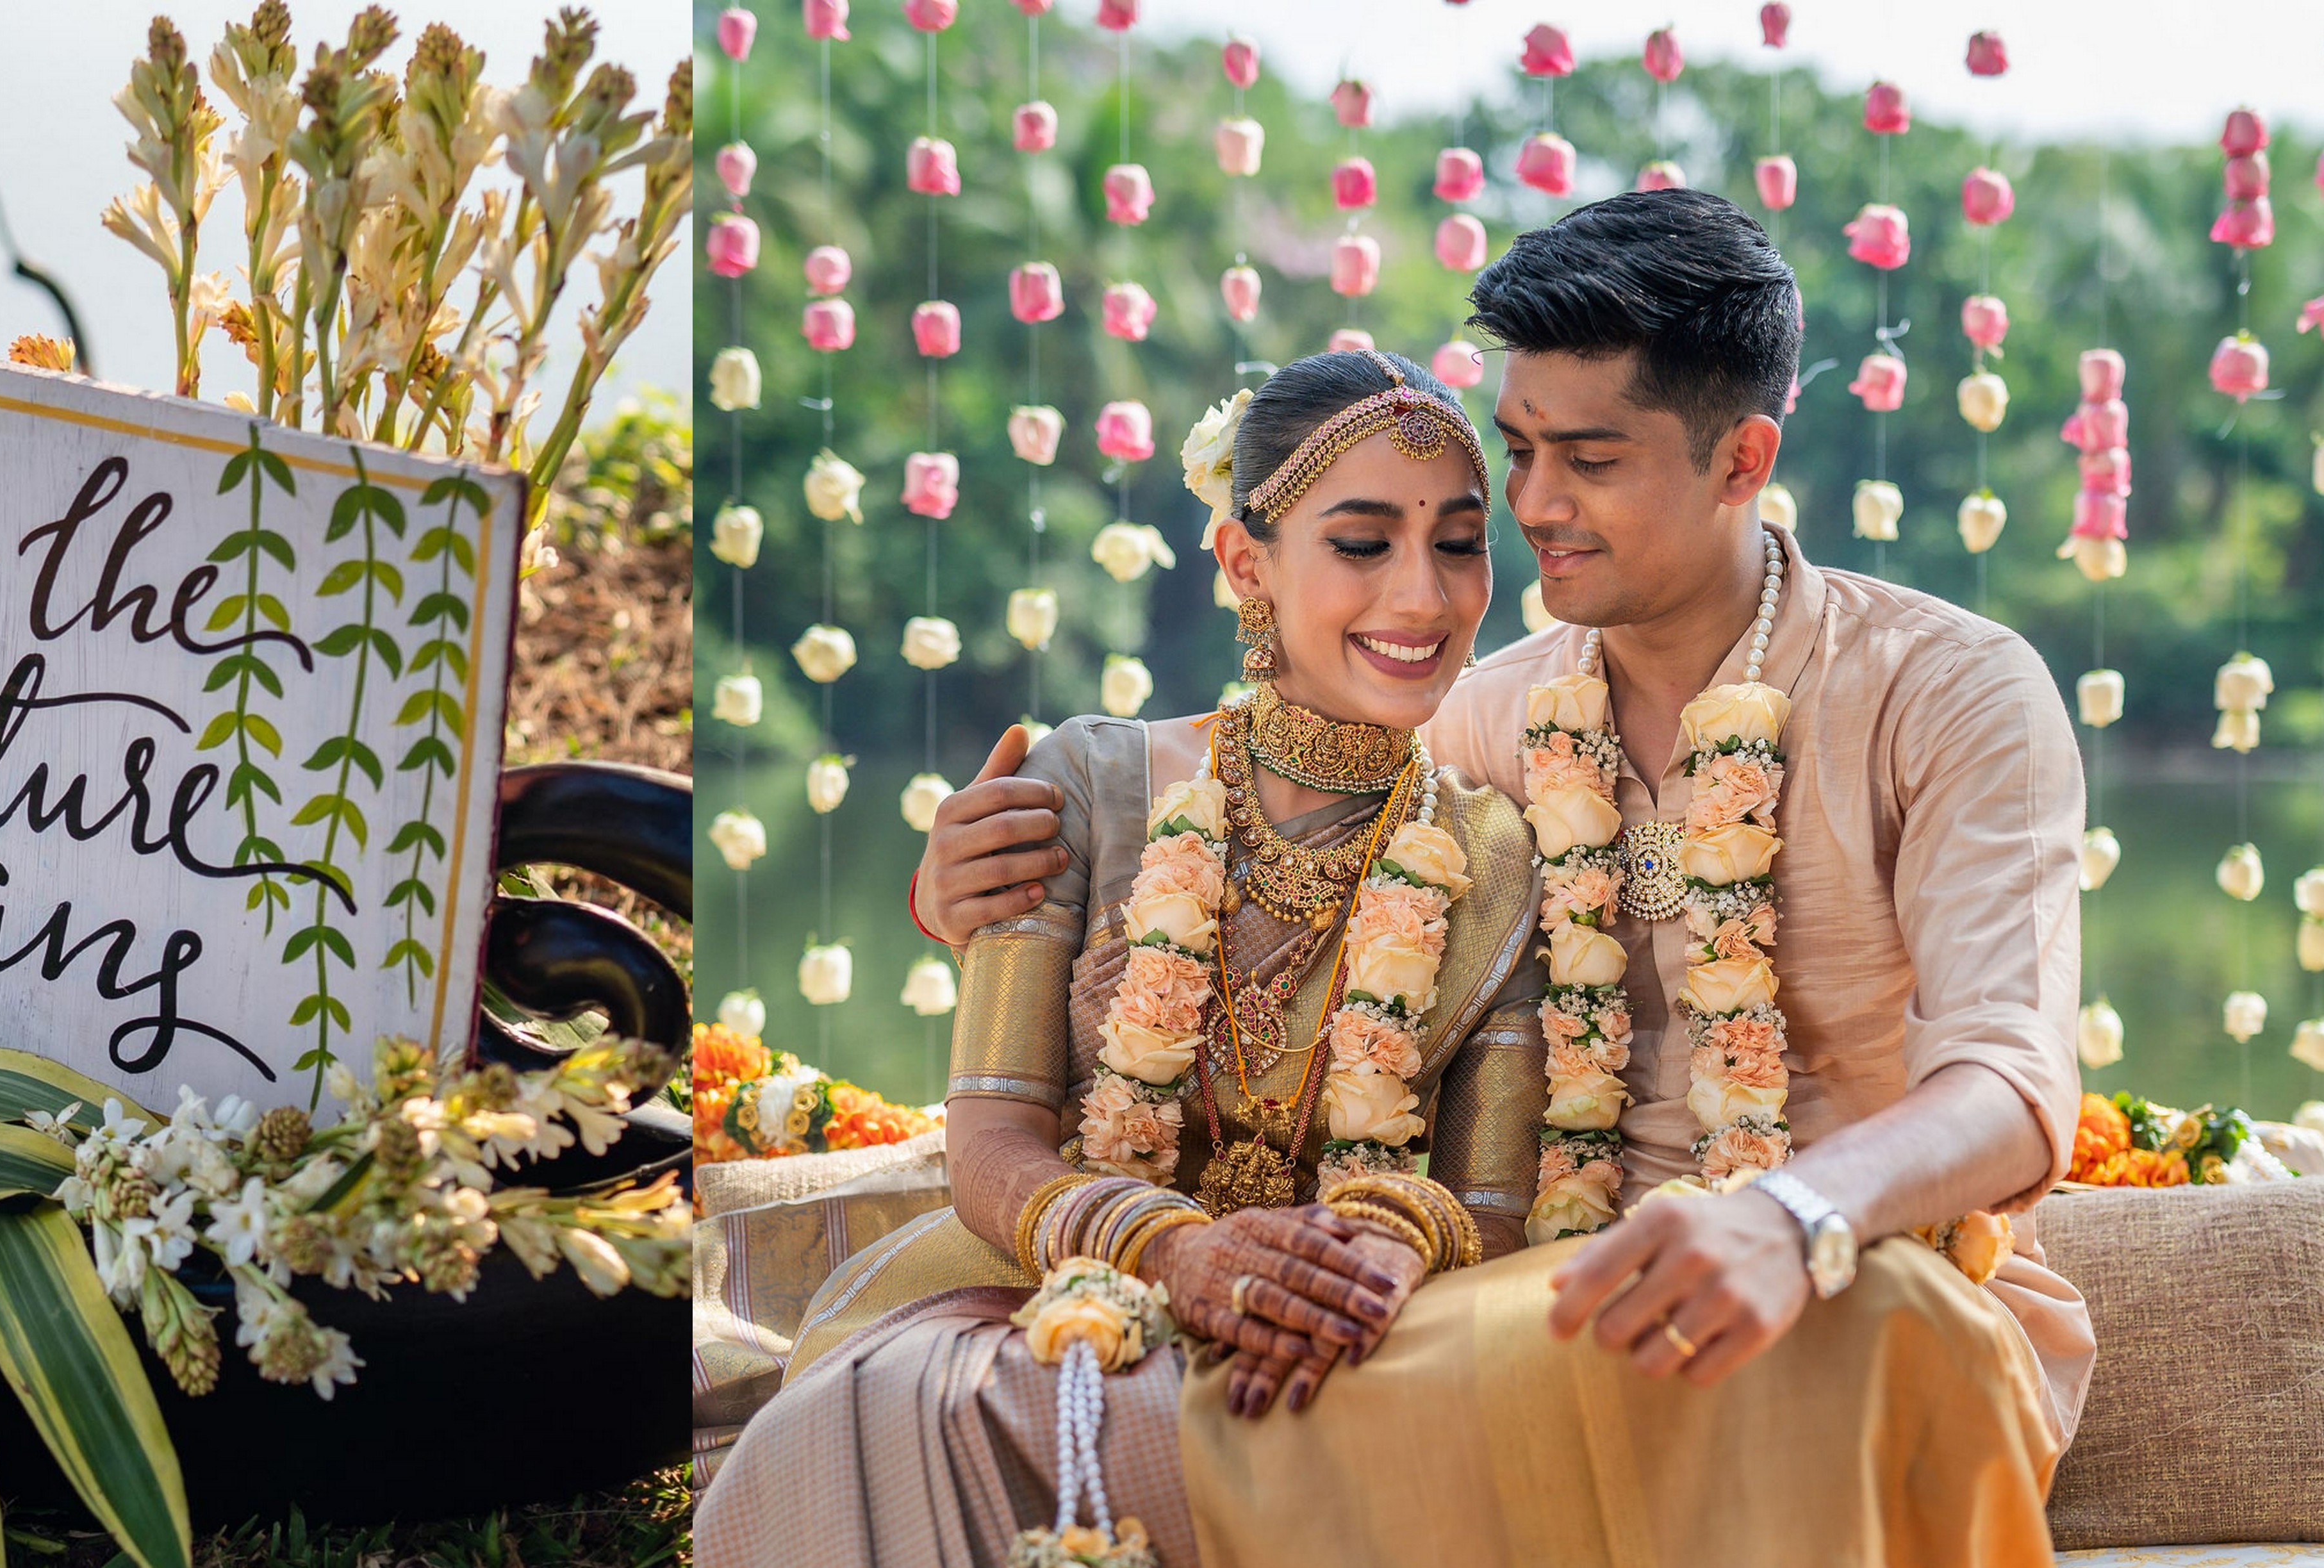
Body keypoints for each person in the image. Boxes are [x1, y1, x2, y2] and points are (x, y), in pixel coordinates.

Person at [894, 190, 2086, 1565]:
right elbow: (1221, 860)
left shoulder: (1947, 693)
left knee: (1857, 1325)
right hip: (1534, 1300)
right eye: (1519, 452)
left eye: (1587, 460)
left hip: (1854, 1273)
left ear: (1741, 457)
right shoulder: (1480, 719)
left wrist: (1784, 1217)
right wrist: (973, 890)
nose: (1531, 507)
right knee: (1236, 1398)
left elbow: (2007, 1084)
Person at [698, 345, 1567, 1566]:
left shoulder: (1498, 853)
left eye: (1461, 543)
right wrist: (1176, 1249)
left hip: (1342, 1324)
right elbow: (990, 1146)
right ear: (1244, 562)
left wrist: (1381, 1247)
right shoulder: (1091, 784)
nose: (1423, 597)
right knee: (889, 1414)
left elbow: (1492, 1209)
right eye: (1363, 544)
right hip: (1038, 1274)